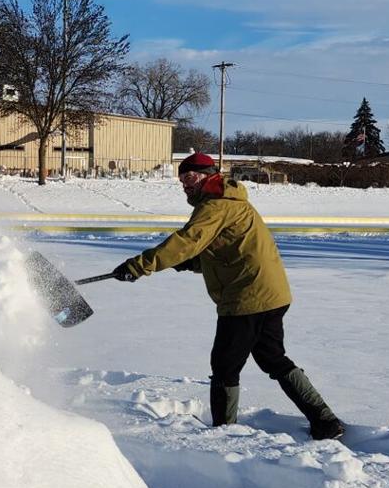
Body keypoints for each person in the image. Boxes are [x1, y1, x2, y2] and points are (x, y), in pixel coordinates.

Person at [111, 153, 346, 440]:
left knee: (224, 365)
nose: (186, 185)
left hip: (248, 296)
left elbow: (187, 241)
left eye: (190, 178)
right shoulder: (228, 201)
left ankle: (222, 436)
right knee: (272, 358)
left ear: (209, 176)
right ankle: (325, 421)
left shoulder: (216, 204)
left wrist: (139, 265)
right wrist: (190, 263)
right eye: (182, 180)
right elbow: (224, 251)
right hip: (269, 293)